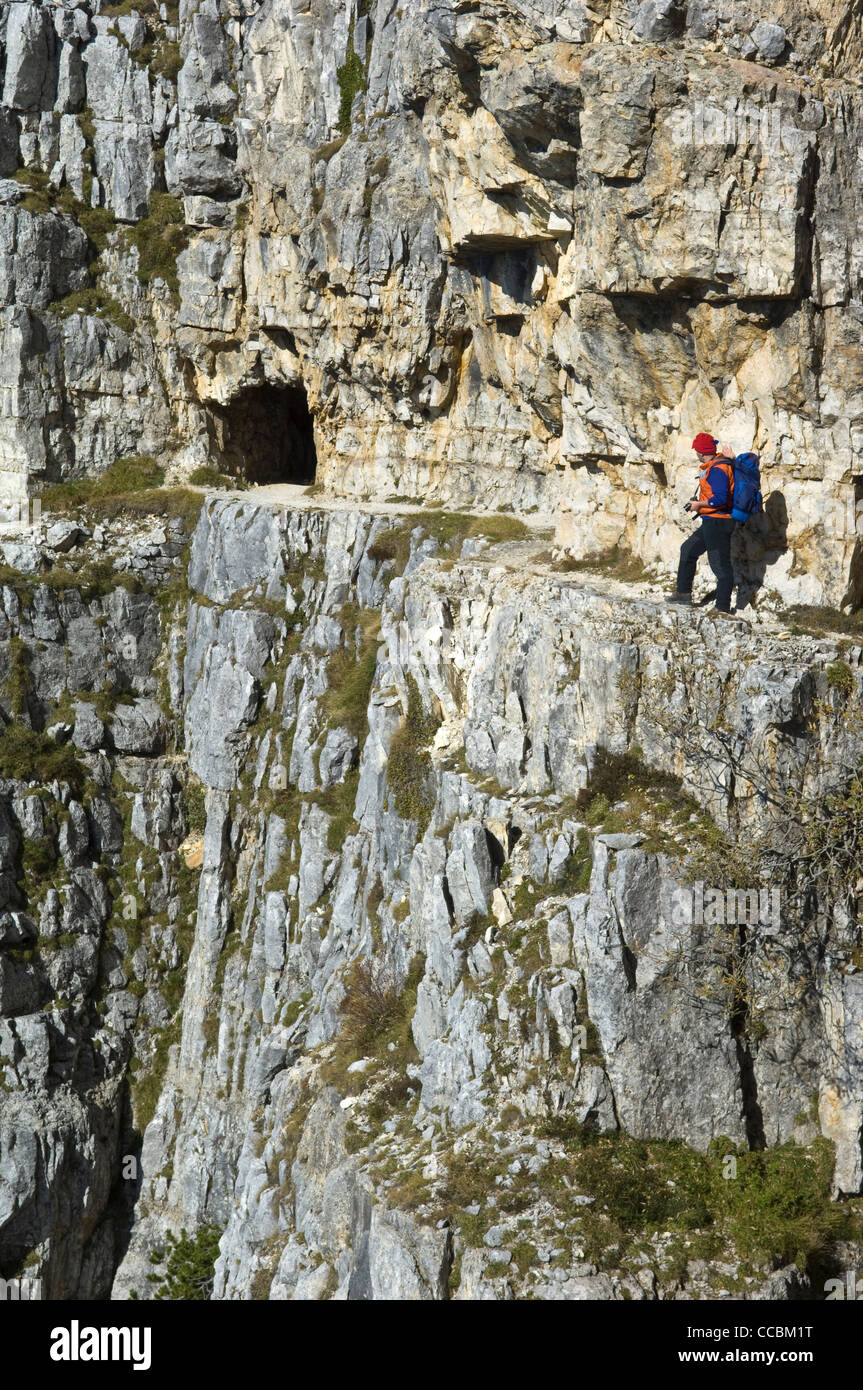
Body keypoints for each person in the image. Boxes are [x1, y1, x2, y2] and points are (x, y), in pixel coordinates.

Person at [666, 432, 737, 614]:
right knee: (688, 549)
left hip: (719, 522)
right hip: (710, 521)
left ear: (700, 451)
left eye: (696, 450)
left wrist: (698, 504)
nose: (695, 453)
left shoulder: (717, 470)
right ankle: (683, 594)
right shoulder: (716, 464)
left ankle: (722, 607)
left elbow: (720, 498)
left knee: (720, 565)